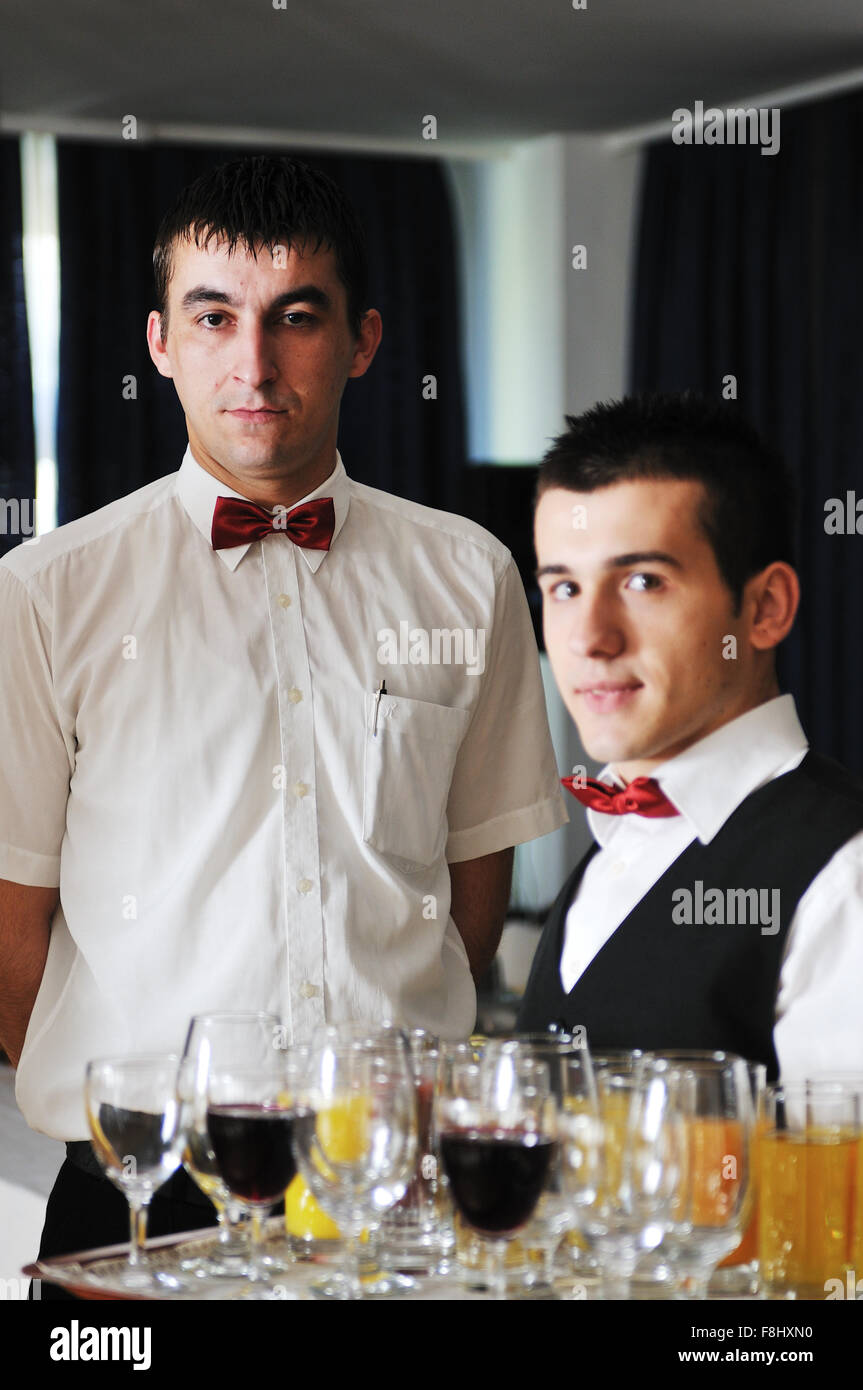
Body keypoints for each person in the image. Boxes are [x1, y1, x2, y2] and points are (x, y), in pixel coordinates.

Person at [0, 154, 566, 1286]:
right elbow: (12, 920)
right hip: (136, 1190)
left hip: (396, 1181)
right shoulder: (45, 590)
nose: (252, 363)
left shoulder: (470, 577)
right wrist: (137, 1120)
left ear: (360, 341)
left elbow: (473, 887)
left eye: (294, 318)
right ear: (160, 343)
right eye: (213, 317)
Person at [517, 393, 863, 1081]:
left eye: (642, 581)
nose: (588, 639)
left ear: (763, 608)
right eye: (562, 589)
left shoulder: (842, 874)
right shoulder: (616, 837)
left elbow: (840, 1187)